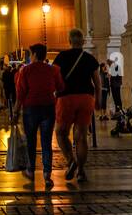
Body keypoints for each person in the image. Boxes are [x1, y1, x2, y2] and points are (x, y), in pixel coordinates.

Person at [53, 29, 102, 183]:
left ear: (69, 41)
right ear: (82, 42)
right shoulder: (90, 59)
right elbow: (98, 83)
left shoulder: (61, 57)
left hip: (66, 98)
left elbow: (55, 79)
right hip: (86, 99)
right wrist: (99, 100)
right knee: (81, 137)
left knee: (61, 133)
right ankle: (81, 172)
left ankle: (70, 160)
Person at [14, 44, 64, 186]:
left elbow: (21, 93)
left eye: (30, 54)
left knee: (31, 141)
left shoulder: (25, 71)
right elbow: (61, 87)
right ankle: (47, 174)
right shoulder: (53, 70)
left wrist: (16, 112)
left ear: (35, 55)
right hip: (48, 107)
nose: (30, 56)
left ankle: (30, 170)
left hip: (30, 109)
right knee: (46, 142)